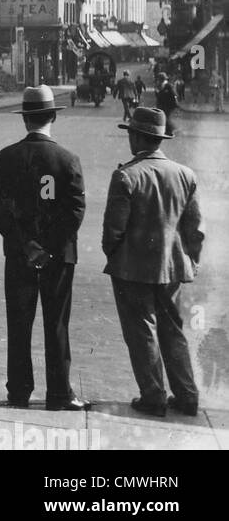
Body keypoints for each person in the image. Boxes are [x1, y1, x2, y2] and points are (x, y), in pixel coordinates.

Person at [0, 84, 88, 410]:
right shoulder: (68, 159)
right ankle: (59, 394)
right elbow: (75, 210)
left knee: (19, 324)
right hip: (59, 257)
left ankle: (18, 392)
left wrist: (27, 245)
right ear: (53, 116)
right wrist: (51, 247)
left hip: (19, 256)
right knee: (56, 323)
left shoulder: (6, 158)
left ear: (25, 119)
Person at [102, 106, 204, 418]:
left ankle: (153, 395)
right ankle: (187, 395)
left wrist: (115, 256)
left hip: (132, 269)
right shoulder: (185, 175)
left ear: (137, 137)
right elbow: (195, 230)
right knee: (173, 330)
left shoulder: (125, 176)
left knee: (140, 331)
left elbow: (113, 231)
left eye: (131, 134)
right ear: (158, 139)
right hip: (172, 267)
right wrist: (190, 263)